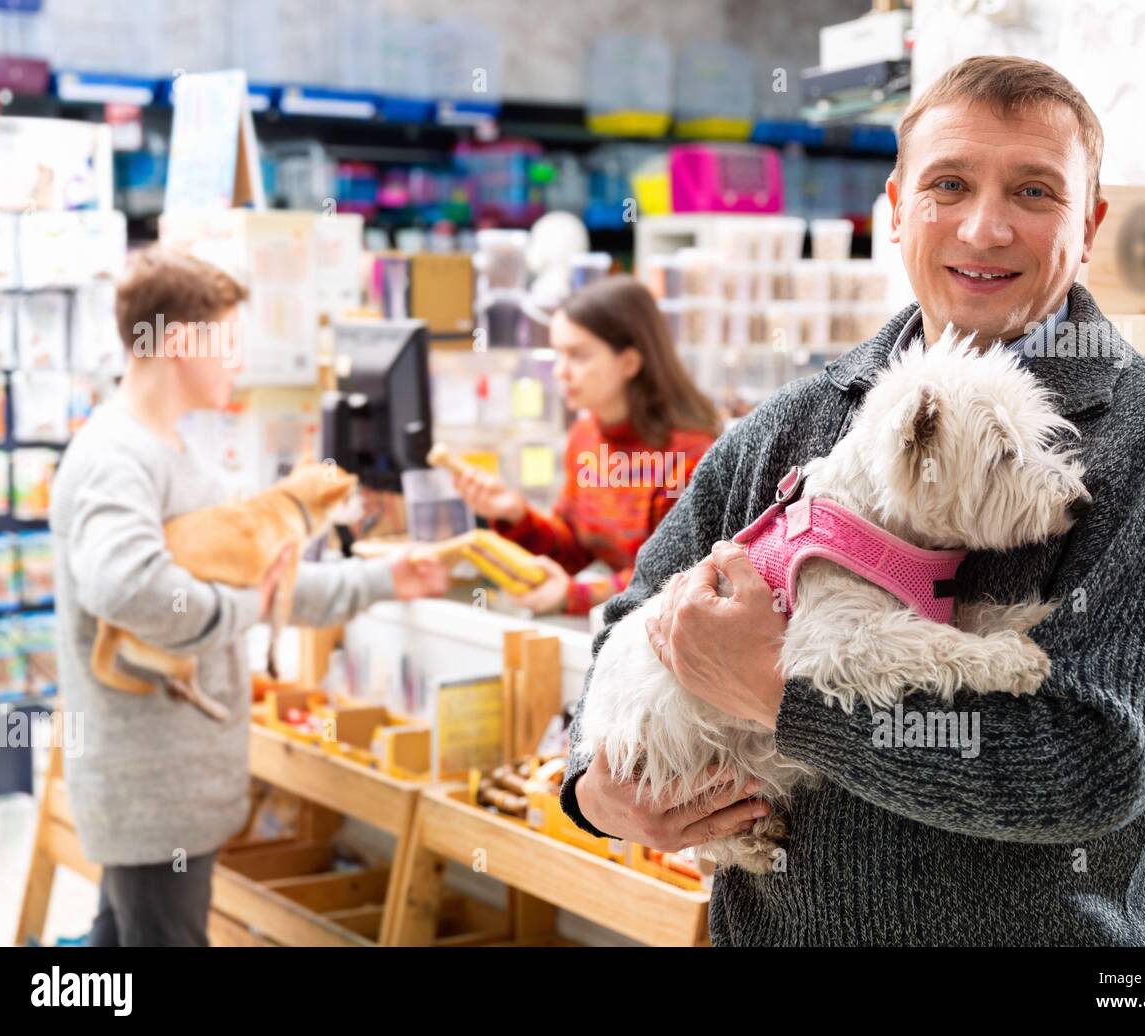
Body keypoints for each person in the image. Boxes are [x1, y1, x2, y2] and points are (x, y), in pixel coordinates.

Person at [561, 56, 1145, 946]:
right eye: (949, 184)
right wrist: (594, 789)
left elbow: (1091, 770)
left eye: (1036, 192)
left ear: (1089, 224)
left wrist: (784, 697)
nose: (985, 225)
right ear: (896, 209)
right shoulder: (788, 427)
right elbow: (625, 622)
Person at [50, 247, 449, 947]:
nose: (240, 362)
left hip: (168, 787)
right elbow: (129, 587)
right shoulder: (118, 456)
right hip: (152, 791)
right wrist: (240, 610)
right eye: (229, 342)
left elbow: (255, 576)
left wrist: (384, 579)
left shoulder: (168, 448)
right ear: (179, 342)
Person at [451, 275, 721, 616]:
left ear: (629, 362)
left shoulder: (688, 456)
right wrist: (514, 514)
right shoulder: (585, 437)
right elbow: (572, 551)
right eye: (558, 354)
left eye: (577, 356)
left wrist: (577, 594)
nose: (561, 372)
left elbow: (675, 577)